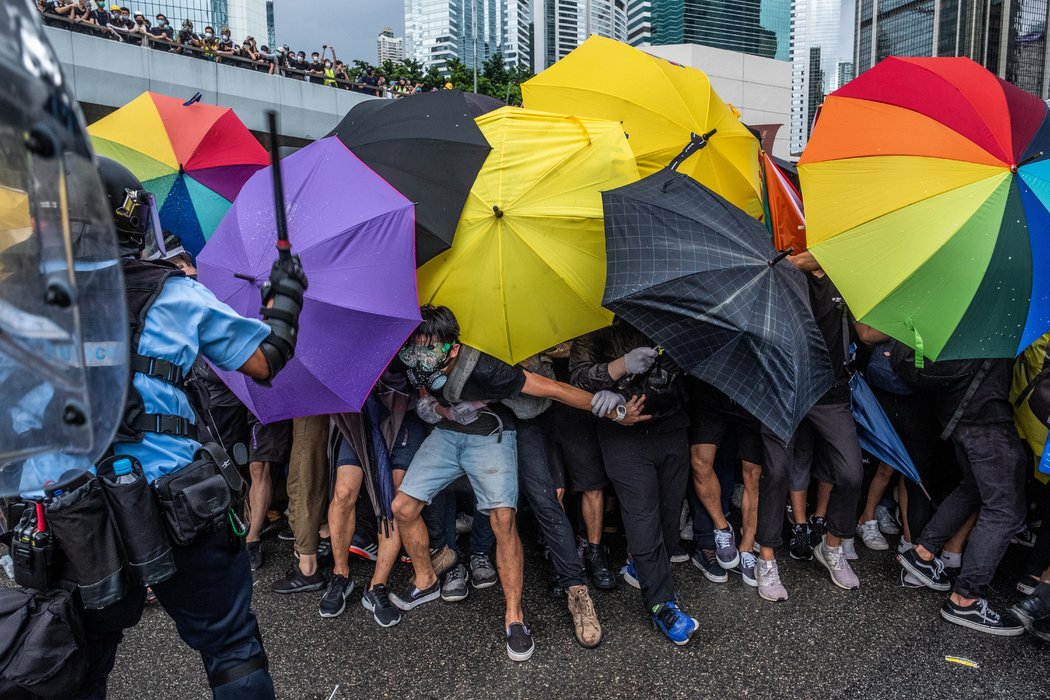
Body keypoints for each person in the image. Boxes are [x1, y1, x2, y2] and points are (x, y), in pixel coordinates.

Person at [69, 156, 307, 698]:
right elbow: (265, 361)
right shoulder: (173, 294)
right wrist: (286, 299)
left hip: (73, 513)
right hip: (173, 503)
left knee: (78, 656)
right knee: (230, 648)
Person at [390, 305, 646, 662]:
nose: (422, 352)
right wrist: (442, 411)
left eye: (430, 346)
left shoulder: (486, 367)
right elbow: (423, 397)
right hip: (451, 432)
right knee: (402, 507)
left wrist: (613, 410)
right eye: (418, 345)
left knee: (513, 515)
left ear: (453, 346)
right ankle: (425, 580)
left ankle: (524, 613)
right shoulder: (415, 357)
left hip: (498, 429)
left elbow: (552, 388)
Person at [570, 319, 699, 646]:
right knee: (642, 516)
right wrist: (617, 370)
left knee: (670, 518)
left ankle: (643, 568)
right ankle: (662, 604)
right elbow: (578, 375)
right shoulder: (595, 317)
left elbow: (679, 371)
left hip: (671, 426)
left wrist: (626, 394)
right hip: (622, 437)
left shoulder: (669, 312)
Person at [886, 340, 1028, 635]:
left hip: (958, 409)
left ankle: (923, 553)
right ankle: (965, 598)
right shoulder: (1006, 306)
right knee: (1004, 510)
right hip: (986, 414)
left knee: (973, 487)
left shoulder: (971, 306)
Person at [756, 251, 863, 601]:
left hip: (831, 389)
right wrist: (800, 261)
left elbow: (865, 333)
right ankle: (767, 558)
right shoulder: (781, 275)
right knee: (777, 471)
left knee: (851, 473)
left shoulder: (846, 276)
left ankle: (831, 546)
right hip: (784, 388)